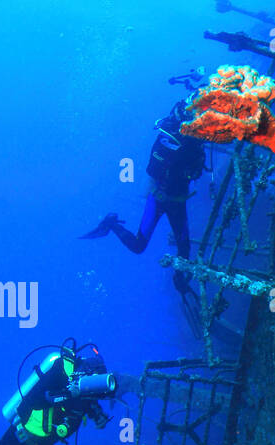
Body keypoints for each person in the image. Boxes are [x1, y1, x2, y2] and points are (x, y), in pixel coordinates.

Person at [82, 100, 206, 306]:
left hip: (178, 201)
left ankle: (179, 280)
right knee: (139, 246)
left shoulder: (196, 144)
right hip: (158, 199)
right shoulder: (167, 140)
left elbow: (197, 171)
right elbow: (154, 170)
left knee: (184, 248)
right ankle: (111, 224)